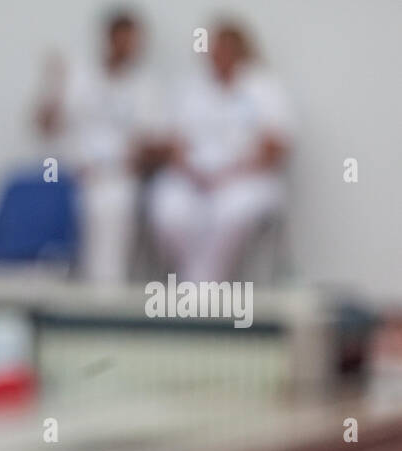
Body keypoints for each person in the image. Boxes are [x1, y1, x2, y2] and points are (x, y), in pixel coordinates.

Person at [147, 19, 295, 282]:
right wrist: (191, 170)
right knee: (169, 209)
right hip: (193, 177)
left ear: (241, 50)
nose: (218, 55)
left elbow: (277, 146)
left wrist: (230, 173)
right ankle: (196, 281)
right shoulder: (191, 86)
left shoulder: (264, 87)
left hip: (245, 178)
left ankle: (203, 285)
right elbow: (174, 140)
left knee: (230, 212)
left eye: (226, 48)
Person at [34, 8, 165, 283]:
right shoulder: (78, 75)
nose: (129, 47)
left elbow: (153, 144)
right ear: (108, 38)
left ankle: (105, 291)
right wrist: (52, 84)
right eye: (123, 39)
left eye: (133, 40)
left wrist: (131, 162)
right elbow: (44, 126)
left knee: (110, 206)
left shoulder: (145, 86)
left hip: (116, 175)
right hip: (69, 171)